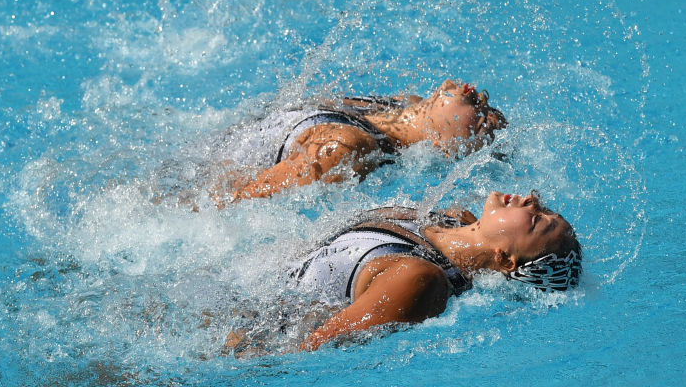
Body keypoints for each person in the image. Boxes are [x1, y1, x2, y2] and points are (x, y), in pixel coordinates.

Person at [294, 191, 582, 351]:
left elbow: (310, 348)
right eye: (545, 208)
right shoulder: (453, 218)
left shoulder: (418, 279)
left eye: (537, 221)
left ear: (506, 259)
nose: (532, 200)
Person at [214, 79, 507, 204]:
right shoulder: (400, 105)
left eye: (484, 119)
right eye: (485, 101)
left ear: (444, 147)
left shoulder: (347, 148)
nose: (480, 98)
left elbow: (233, 202)